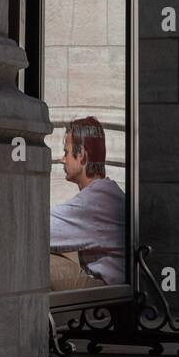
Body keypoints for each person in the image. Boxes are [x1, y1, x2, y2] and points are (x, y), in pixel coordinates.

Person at [49, 116, 127, 290]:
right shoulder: (106, 193)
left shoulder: (98, 200)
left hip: (107, 296)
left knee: (36, 258)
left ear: (82, 154)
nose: (63, 159)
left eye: (66, 152)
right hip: (117, 292)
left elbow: (39, 229)